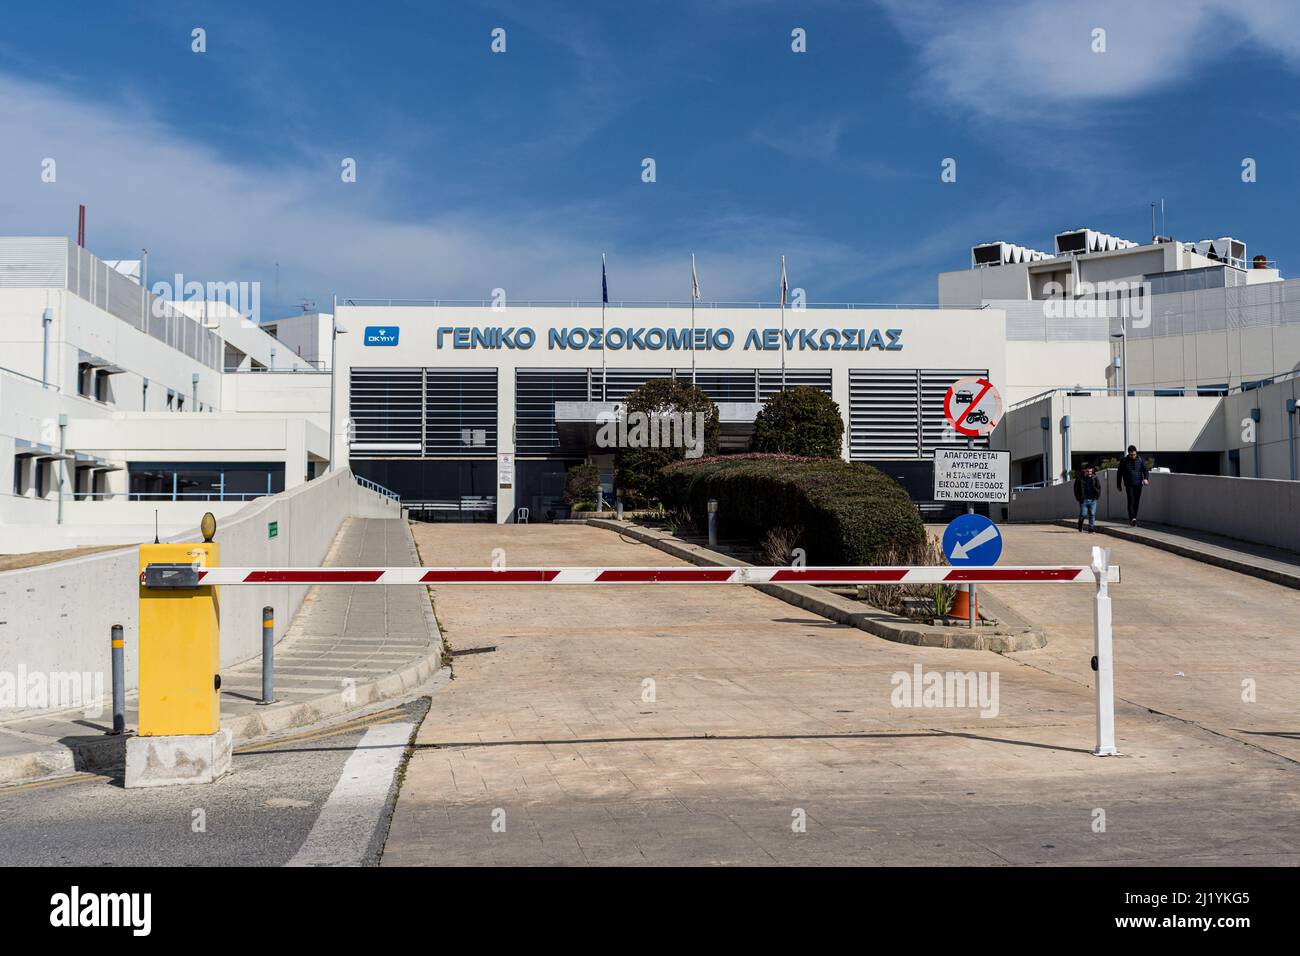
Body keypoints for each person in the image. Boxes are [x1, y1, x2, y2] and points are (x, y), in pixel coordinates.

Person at [1116, 445, 1150, 526]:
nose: (1133, 456)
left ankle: (1134, 517)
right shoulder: (1124, 461)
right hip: (1129, 484)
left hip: (1139, 484)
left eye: (1134, 454)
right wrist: (1118, 485)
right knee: (1131, 501)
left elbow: (1145, 470)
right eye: (1131, 455)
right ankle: (1132, 518)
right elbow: (1119, 474)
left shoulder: (1140, 460)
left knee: (1136, 502)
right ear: (1128, 453)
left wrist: (1146, 478)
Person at [1073, 462, 1101, 532]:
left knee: (1092, 514)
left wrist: (1097, 495)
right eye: (1088, 471)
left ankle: (1091, 528)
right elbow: (1076, 488)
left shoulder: (1095, 477)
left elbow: (1099, 487)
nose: (1089, 473)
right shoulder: (1079, 478)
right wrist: (1078, 498)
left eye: (1091, 471)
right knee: (1083, 514)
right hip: (1083, 500)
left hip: (1093, 499)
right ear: (1084, 470)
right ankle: (1080, 525)